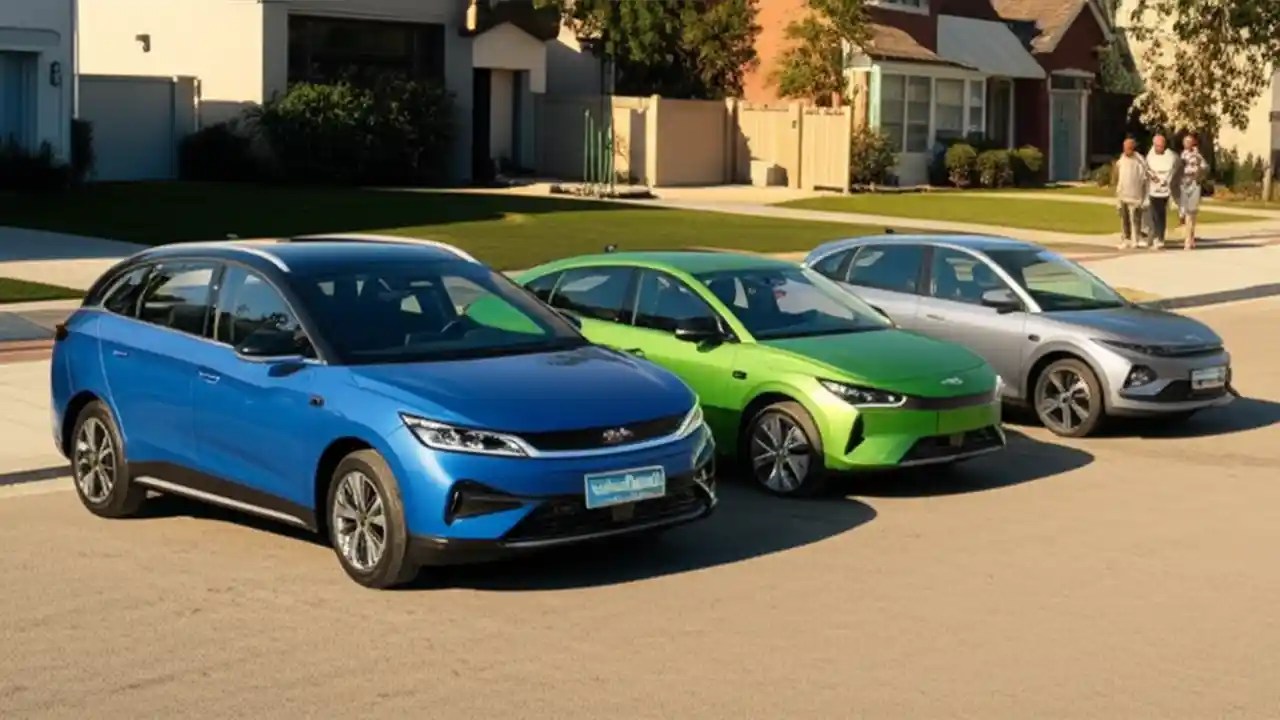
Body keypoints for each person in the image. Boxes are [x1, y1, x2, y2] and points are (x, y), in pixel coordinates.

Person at [1115, 138, 1149, 250]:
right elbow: (1118, 175)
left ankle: (1136, 239)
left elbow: (1144, 178)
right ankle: (1126, 239)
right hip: (1123, 194)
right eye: (1125, 147)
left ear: (1133, 148)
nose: (1126, 149)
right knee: (1124, 218)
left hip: (1135, 195)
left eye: (1129, 147)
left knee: (1135, 218)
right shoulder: (1121, 159)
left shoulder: (1139, 160)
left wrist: (1144, 195)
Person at [1144, 134, 1176, 250]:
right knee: (1153, 214)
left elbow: (1171, 171)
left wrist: (1164, 180)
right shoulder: (1150, 155)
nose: (1159, 148)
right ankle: (1154, 237)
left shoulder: (1169, 156)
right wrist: (1154, 177)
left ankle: (1160, 238)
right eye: (1157, 146)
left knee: (1161, 214)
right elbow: (1147, 169)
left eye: (1161, 146)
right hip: (1153, 189)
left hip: (1164, 190)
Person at [1177, 134, 1207, 250]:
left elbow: (1204, 167)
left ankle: (1188, 240)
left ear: (1193, 143)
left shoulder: (1197, 156)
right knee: (1185, 212)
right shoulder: (1181, 155)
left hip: (1194, 184)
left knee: (1191, 213)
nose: (1187, 143)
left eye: (1189, 141)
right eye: (1185, 141)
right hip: (1184, 184)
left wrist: (1198, 175)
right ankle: (1190, 237)